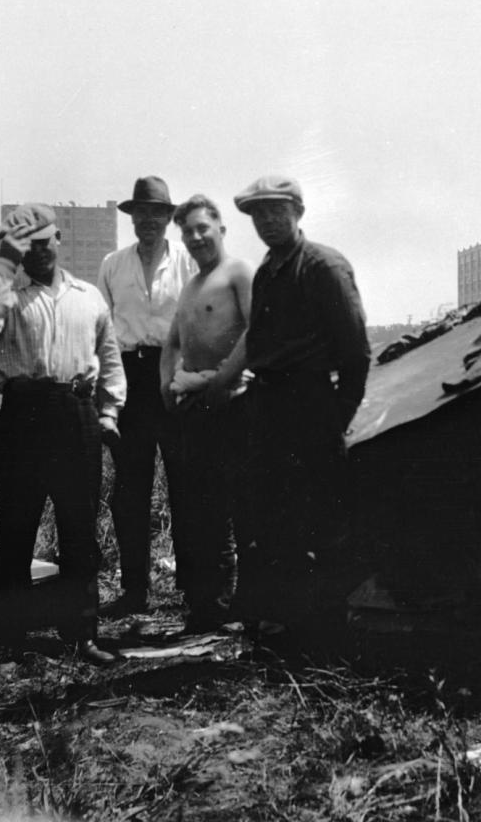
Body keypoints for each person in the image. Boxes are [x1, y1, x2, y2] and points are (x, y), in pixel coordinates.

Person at [207, 175, 371, 631]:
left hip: (311, 403)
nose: (267, 221)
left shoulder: (322, 266)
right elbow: (258, 342)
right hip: (269, 404)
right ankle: (285, 630)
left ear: (298, 211)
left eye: (277, 210)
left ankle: (326, 639)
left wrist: (335, 417)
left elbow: (356, 352)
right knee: (274, 520)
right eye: (258, 213)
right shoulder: (267, 270)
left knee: (322, 522)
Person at [0, 203, 124, 665]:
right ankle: (9, 637)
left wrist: (109, 414)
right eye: (25, 246)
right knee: (17, 528)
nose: (37, 253)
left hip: (75, 415)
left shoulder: (88, 296)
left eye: (42, 242)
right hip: (22, 415)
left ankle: (82, 633)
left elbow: (109, 357)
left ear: (59, 240)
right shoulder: (7, 295)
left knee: (79, 529)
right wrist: (3, 262)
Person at [96, 176, 196, 616]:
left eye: (157, 212)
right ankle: (135, 590)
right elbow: (101, 333)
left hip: (173, 377)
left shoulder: (188, 263)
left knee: (187, 487)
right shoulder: (112, 265)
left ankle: (194, 590)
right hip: (130, 381)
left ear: (169, 217)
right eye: (141, 213)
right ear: (131, 217)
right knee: (130, 490)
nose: (148, 221)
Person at [159, 194, 253, 633]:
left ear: (221, 229)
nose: (196, 238)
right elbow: (172, 342)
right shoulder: (192, 286)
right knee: (203, 510)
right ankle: (208, 608)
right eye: (188, 232)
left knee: (242, 507)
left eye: (203, 228)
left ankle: (243, 609)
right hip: (196, 407)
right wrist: (166, 384)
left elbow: (257, 330)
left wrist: (222, 381)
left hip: (234, 401)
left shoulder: (238, 272)